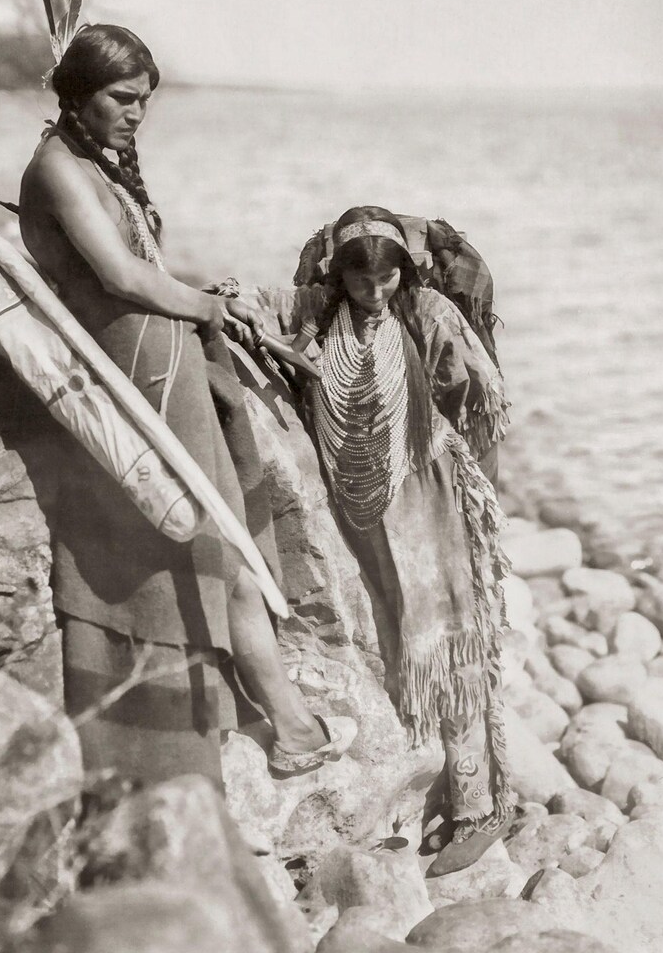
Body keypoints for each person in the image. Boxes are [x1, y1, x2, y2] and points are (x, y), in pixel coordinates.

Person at [18, 23, 355, 785]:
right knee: (211, 543)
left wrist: (204, 301)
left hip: (163, 372)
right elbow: (123, 279)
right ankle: (287, 723)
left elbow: (141, 270)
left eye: (145, 101)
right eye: (122, 98)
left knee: (222, 537)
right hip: (140, 380)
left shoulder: (89, 164)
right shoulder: (57, 170)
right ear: (77, 94)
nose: (137, 114)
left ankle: (270, 705)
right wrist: (202, 308)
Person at [246, 206, 515, 875]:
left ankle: (476, 805)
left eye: (387, 277)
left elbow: (481, 398)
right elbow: (253, 303)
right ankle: (414, 800)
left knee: (445, 642)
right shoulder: (314, 306)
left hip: (428, 502)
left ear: (404, 271)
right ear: (341, 275)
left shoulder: (427, 314)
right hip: (358, 514)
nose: (375, 292)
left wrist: (472, 485)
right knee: (383, 640)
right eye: (362, 280)